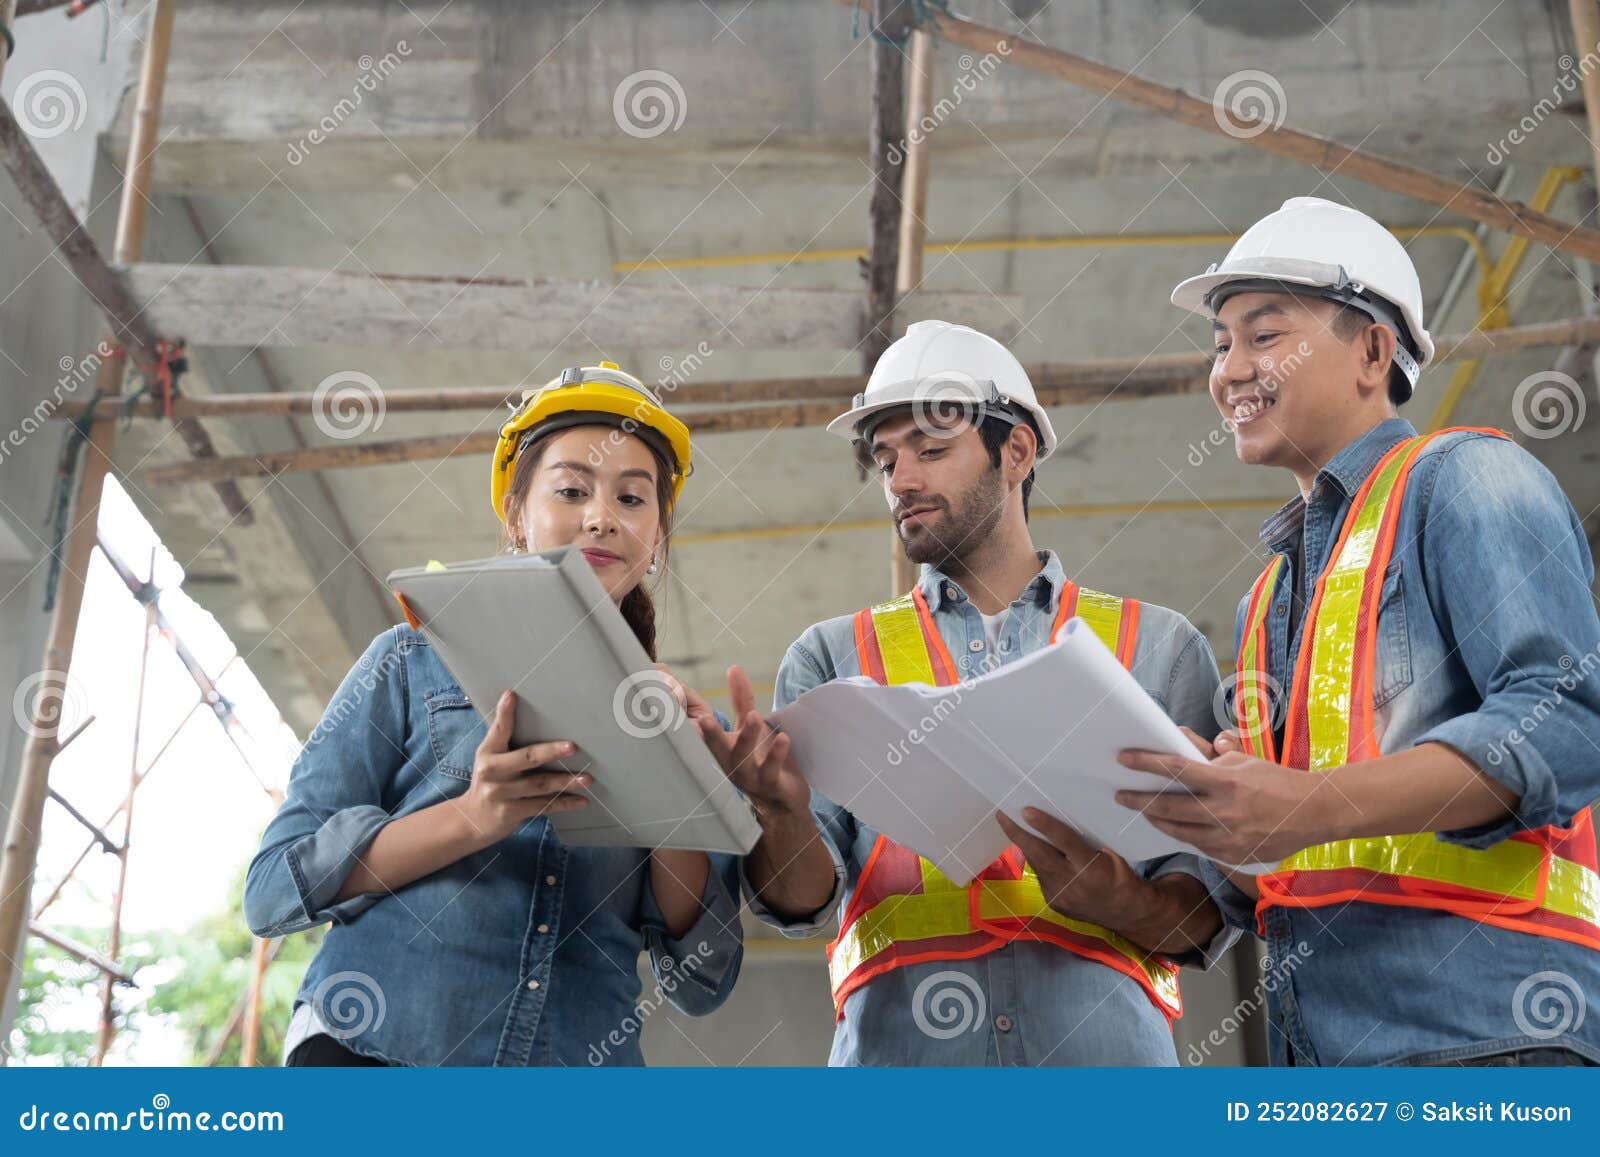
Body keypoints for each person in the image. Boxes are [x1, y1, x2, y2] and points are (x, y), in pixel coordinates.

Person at [1115, 195, 1600, 1066]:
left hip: (1488, 1038)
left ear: (1373, 351)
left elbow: (1570, 718)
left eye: (1265, 335)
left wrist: (1303, 803)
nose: (1230, 370)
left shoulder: (1467, 478)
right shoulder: (1268, 598)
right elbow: (1296, 860)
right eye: (1221, 344)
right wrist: (1216, 810)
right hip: (1324, 1057)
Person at [691, 321, 1235, 1065]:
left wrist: (1119, 900)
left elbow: (1210, 912)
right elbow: (799, 901)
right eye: (887, 459)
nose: (901, 480)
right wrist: (779, 813)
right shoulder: (830, 658)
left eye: (931, 450)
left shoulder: (1160, 648)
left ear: (1017, 452)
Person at [243, 362, 743, 1066]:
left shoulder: (685, 726)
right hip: (374, 1055)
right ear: (515, 514)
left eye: (632, 498)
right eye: (571, 490)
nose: (602, 516)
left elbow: (701, 981)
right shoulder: (410, 661)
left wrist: (670, 787)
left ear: (655, 536)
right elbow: (271, 893)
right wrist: (475, 817)